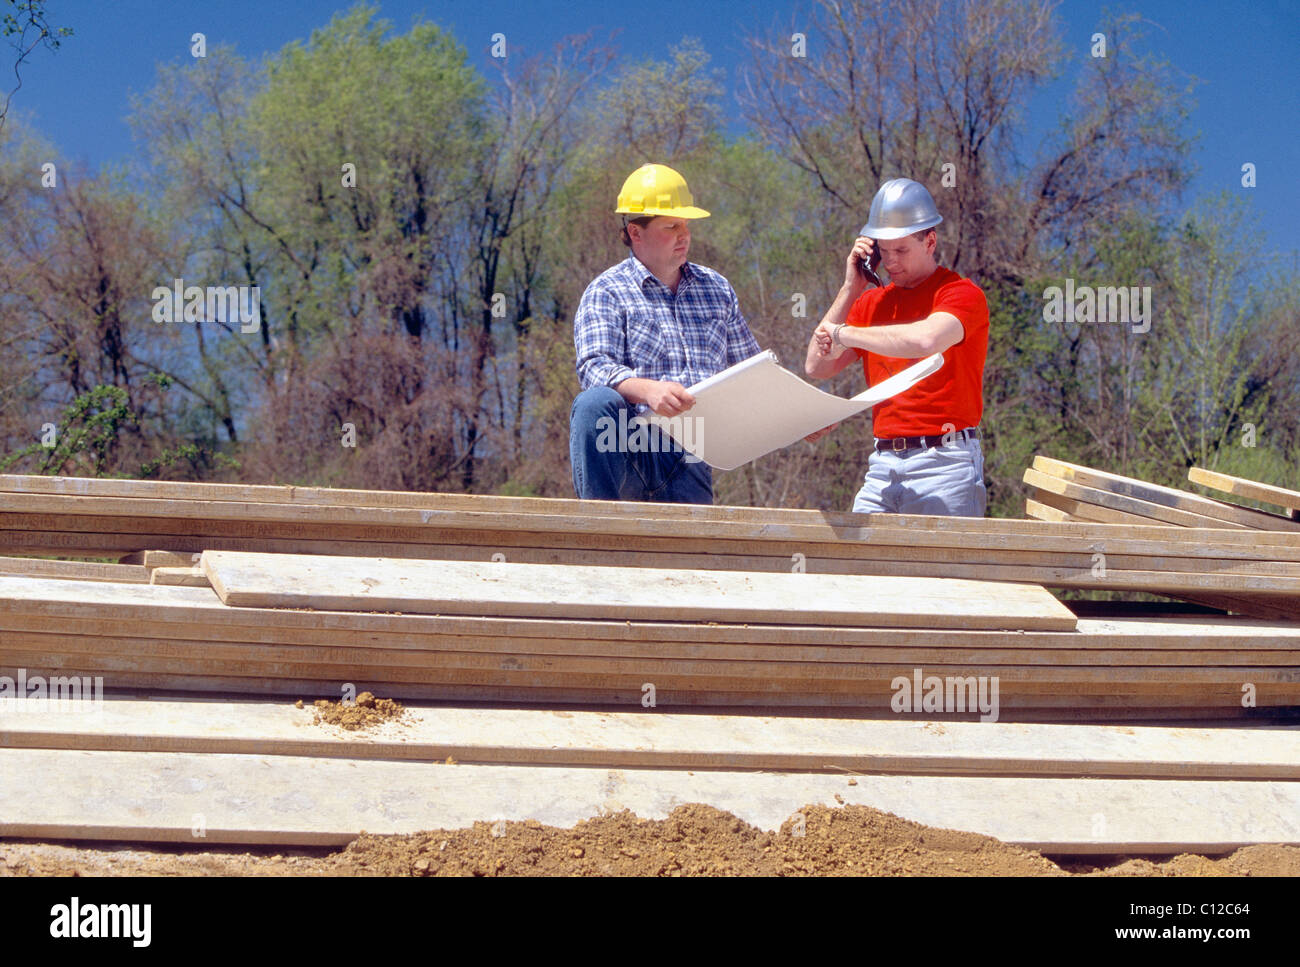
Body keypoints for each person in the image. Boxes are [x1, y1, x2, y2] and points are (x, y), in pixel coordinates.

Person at [569, 163, 760, 503]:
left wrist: (802, 420)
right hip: (627, 446)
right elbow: (593, 367)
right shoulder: (606, 291)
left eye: (685, 225)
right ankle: (598, 533)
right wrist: (649, 390)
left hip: (692, 454)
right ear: (635, 232)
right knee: (593, 404)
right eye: (671, 226)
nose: (684, 235)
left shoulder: (717, 289)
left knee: (685, 554)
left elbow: (753, 372)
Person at [804, 178, 989, 516]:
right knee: (858, 566)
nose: (891, 263)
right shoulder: (869, 303)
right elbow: (817, 365)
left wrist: (846, 334)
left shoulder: (960, 293)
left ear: (929, 241)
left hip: (945, 464)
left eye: (901, 250)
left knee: (943, 568)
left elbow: (925, 340)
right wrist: (850, 287)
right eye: (884, 252)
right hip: (883, 465)